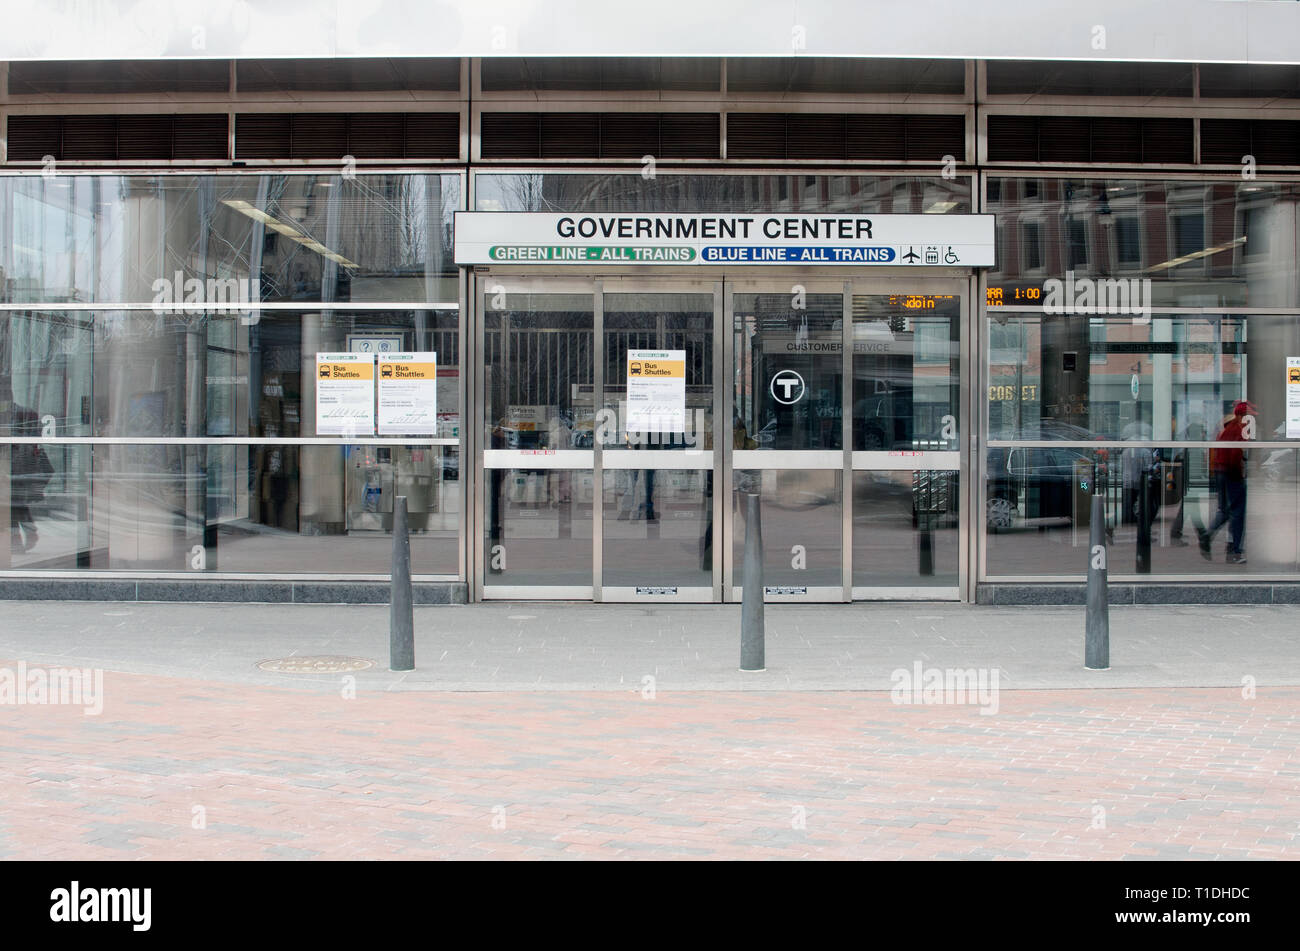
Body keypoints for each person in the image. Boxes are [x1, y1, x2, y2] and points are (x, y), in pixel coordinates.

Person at [1199, 401, 1253, 564]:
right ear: (1241, 415)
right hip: (1232, 472)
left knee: (1224, 510)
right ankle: (1235, 551)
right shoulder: (1238, 429)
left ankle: (1208, 536)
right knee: (1237, 513)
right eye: (1248, 416)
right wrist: (1240, 475)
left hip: (1220, 471)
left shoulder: (1224, 429)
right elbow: (1235, 454)